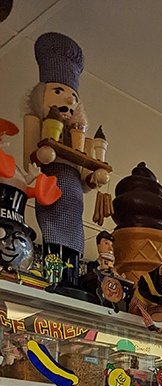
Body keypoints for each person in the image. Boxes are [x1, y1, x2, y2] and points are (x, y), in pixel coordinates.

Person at [24, 33, 109, 290]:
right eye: (58, 91)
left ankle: (69, 283)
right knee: (52, 236)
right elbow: (29, 163)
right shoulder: (35, 125)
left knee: (74, 241)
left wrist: (95, 177)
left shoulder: (77, 138)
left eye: (72, 95)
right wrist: (42, 155)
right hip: (51, 192)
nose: (69, 99)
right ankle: (54, 281)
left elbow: (85, 180)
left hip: (74, 198)